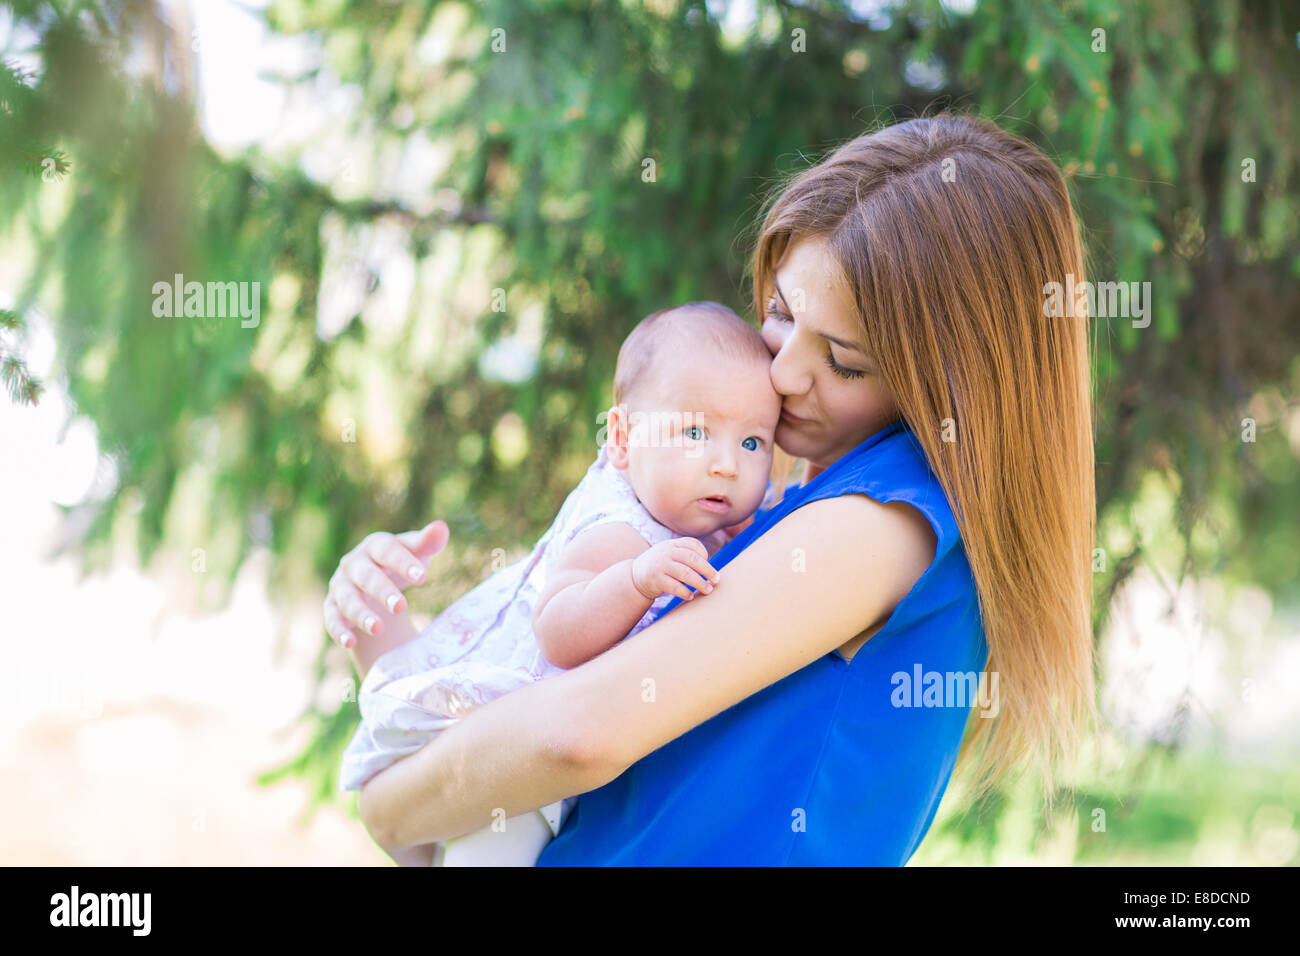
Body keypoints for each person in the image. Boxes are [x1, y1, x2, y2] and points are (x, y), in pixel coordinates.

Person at [323, 112, 1097, 865]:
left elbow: (576, 734)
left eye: (846, 361)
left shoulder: (888, 518)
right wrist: (395, 658)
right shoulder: (789, 504)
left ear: (953, 382)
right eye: (780, 314)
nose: (786, 372)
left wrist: (388, 803)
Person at [335, 302, 780, 865]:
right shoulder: (620, 531)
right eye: (695, 431)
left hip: (541, 757)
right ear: (622, 437)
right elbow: (558, 631)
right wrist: (634, 581)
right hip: (512, 755)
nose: (727, 465)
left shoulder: (689, 511)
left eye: (752, 443)